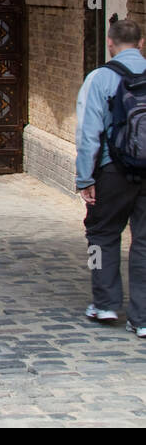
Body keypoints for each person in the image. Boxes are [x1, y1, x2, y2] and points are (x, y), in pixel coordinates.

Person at [75, 17, 146, 337]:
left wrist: (85, 179)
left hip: (112, 171)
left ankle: (105, 303)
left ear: (109, 42)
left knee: (102, 235)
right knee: (144, 242)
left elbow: (89, 134)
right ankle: (142, 318)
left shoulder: (99, 79)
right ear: (141, 43)